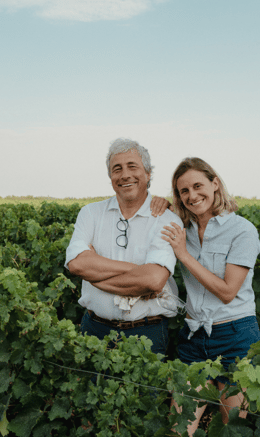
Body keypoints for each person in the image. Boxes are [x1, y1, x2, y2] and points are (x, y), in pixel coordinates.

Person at [161, 157, 260, 434]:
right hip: (194, 337)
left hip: (236, 338)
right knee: (178, 429)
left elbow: (228, 292)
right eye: (184, 191)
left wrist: (183, 255)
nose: (192, 196)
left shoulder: (242, 230)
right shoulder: (183, 230)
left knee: (233, 429)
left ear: (215, 183)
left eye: (198, 186)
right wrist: (157, 203)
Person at [65, 138, 183, 355]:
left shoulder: (167, 219)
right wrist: (137, 271)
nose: (125, 175)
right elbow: (77, 265)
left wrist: (95, 275)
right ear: (110, 177)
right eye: (117, 169)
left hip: (147, 333)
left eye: (132, 166)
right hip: (94, 329)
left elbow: (153, 280)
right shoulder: (90, 213)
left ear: (148, 174)